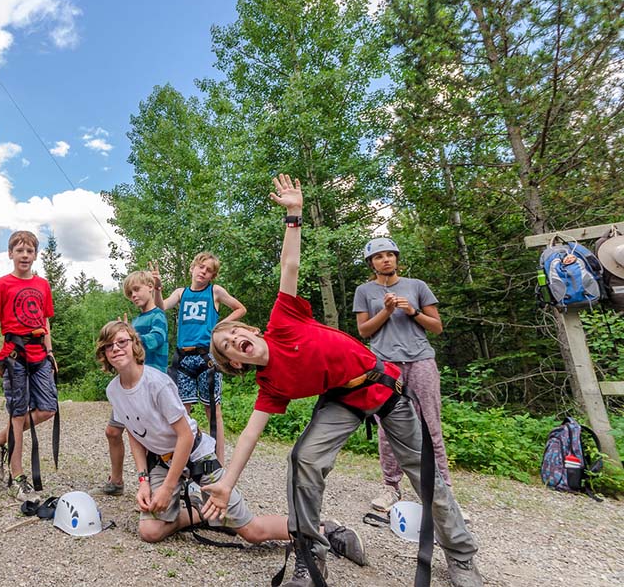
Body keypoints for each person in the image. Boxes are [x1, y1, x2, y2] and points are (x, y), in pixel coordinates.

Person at [205, 175, 481, 587]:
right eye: (227, 346)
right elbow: (248, 436)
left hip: (387, 389)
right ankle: (309, 555)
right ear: (236, 363)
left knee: (425, 474)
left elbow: (290, 265)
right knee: (303, 460)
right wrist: (225, 485)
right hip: (342, 400)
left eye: (234, 332)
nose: (235, 340)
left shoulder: (284, 320)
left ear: (254, 331)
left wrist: (293, 215)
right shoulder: (271, 386)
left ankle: (460, 556)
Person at [98, 320, 364, 562]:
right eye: (109, 346)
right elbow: (134, 432)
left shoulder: (157, 383)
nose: (116, 349)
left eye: (122, 342)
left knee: (251, 531)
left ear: (135, 346)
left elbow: (186, 436)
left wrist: (167, 489)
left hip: (195, 455)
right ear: (105, 355)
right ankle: (203, 511)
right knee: (150, 531)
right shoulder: (113, 390)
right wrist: (143, 481)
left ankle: (323, 529)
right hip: (163, 461)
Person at [354, 237, 459, 516]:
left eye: (390, 255)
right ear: (371, 263)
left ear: (397, 259)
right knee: (388, 427)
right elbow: (364, 331)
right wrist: (387, 311)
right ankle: (391, 486)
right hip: (385, 364)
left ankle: (442, 490)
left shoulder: (417, 286)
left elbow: (436, 327)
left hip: (421, 360)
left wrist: (412, 311)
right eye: (379, 257)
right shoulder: (364, 291)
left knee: (430, 425)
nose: (386, 260)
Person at [0, 230, 58, 503]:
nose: (25, 255)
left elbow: (46, 321)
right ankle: (17, 477)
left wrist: (49, 350)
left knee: (47, 409)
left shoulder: (43, 285)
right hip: (14, 354)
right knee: (18, 412)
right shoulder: (1, 285)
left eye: (30, 251)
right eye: (19, 250)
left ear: (35, 255)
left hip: (39, 354)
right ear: (10, 254)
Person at [155, 253, 245, 463]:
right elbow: (160, 308)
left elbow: (240, 308)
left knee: (213, 411)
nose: (204, 272)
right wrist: (158, 289)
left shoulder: (215, 291)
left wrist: (219, 327)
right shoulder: (181, 293)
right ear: (192, 268)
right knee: (180, 410)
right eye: (201, 267)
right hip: (183, 358)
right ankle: (179, 459)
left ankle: (219, 462)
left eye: (209, 270)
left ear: (212, 276)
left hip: (207, 357)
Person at [100, 270, 169, 496]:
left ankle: (155, 486)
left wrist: (131, 338)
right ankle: (117, 481)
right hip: (130, 383)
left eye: (136, 289)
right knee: (113, 431)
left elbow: (158, 340)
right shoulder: (138, 319)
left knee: (148, 437)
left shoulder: (158, 315)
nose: (133, 295)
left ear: (151, 286)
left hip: (151, 383)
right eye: (129, 293)